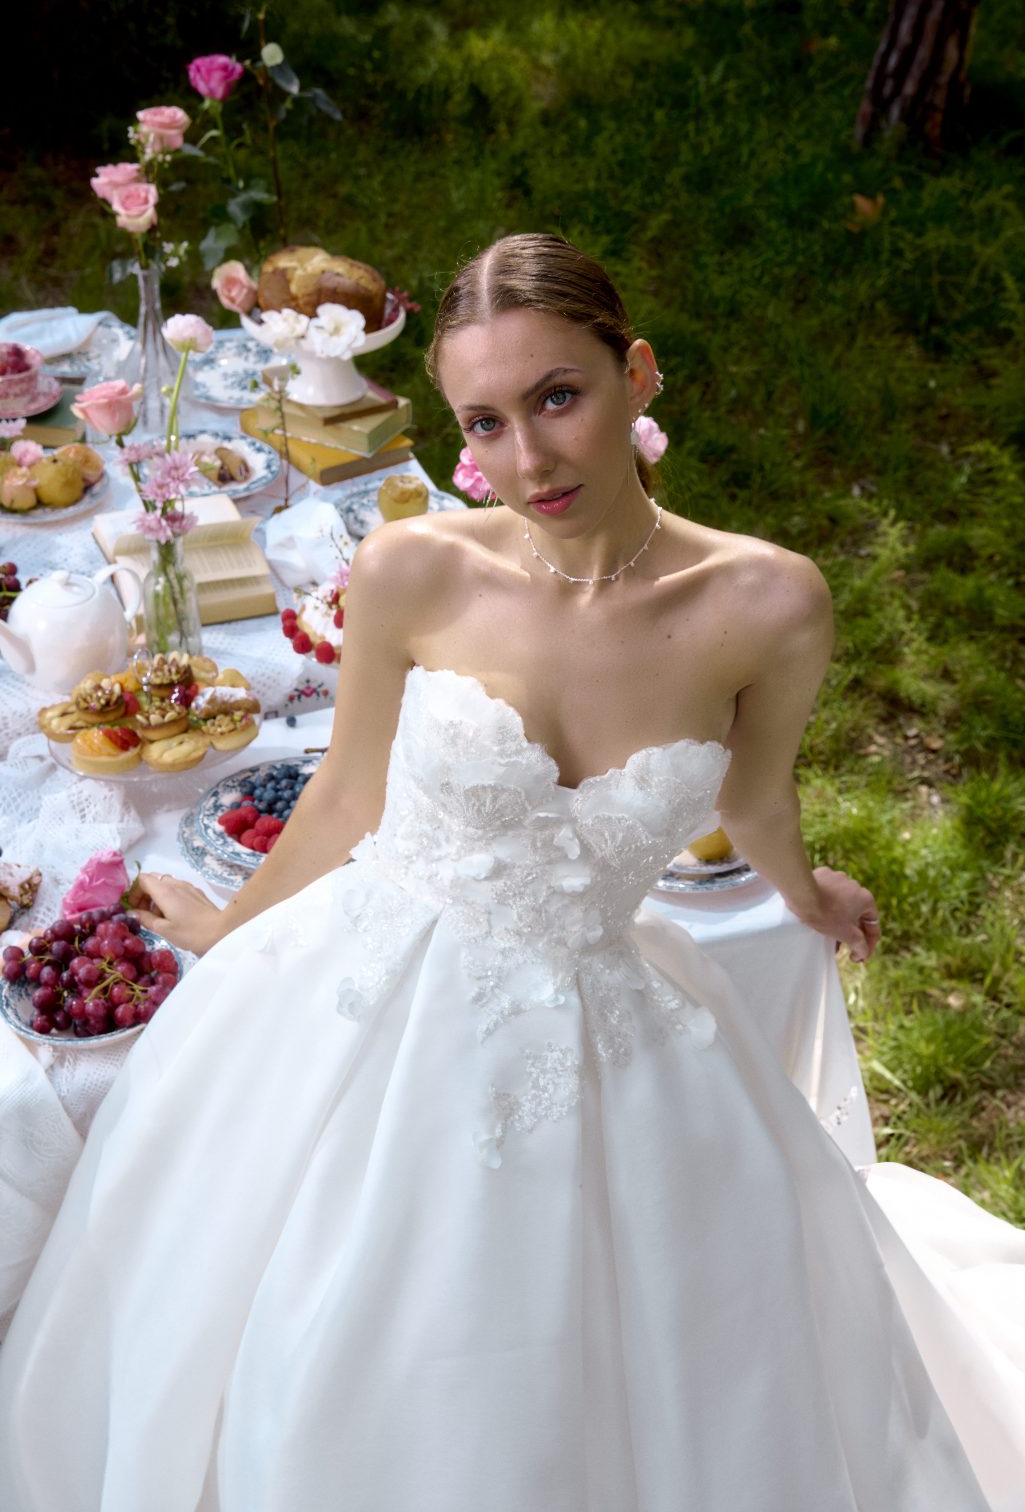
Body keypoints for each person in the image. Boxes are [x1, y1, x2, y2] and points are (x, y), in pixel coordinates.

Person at [1, 233, 1023, 1511]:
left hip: (606, 1016)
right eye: (484, 422)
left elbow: (755, 796)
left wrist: (806, 895)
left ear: (635, 374)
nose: (527, 459)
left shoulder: (768, 603)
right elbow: (346, 797)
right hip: (362, 988)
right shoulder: (416, 568)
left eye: (557, 397)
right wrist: (226, 928)